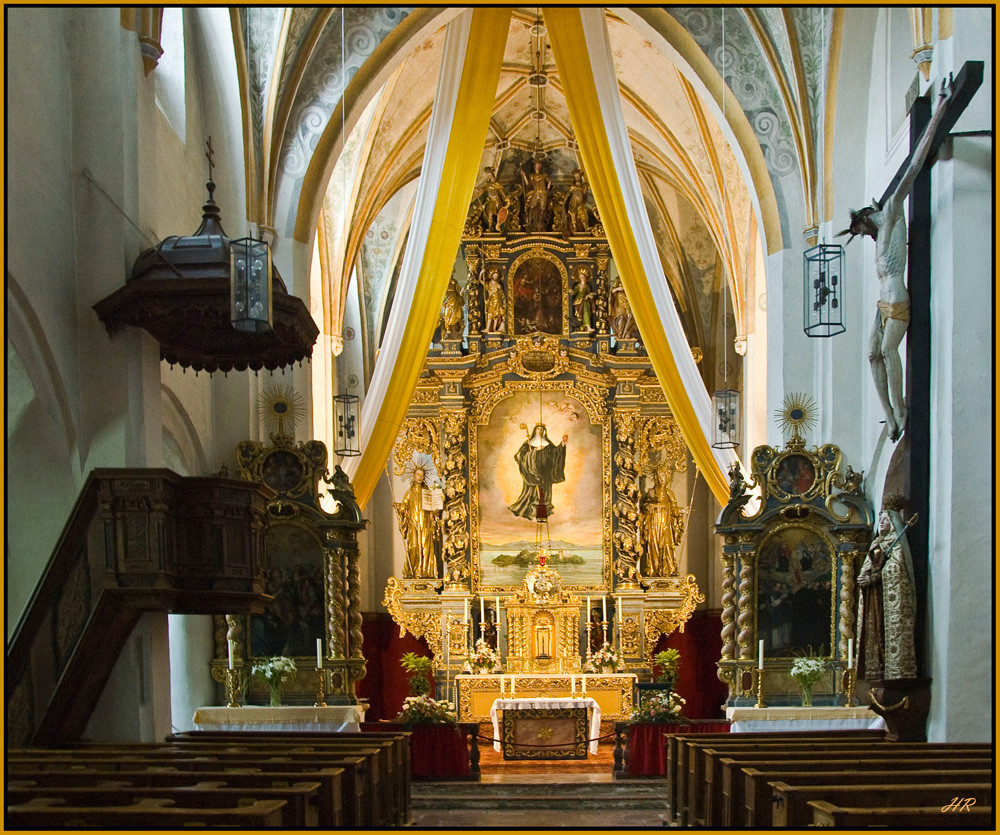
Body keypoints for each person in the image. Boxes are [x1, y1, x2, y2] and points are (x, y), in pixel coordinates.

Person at [838, 79, 952, 442]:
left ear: (865, 217)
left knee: (888, 350)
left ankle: (900, 407)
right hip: (882, 302)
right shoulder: (876, 235)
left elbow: (915, 165)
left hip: (898, 298)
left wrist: (941, 110)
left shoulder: (890, 212)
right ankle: (888, 414)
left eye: (861, 230)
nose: (865, 236)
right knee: (872, 355)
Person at [855, 505, 917, 681]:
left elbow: (897, 567)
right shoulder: (876, 543)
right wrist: (863, 576)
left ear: (894, 522)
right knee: (874, 628)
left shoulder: (897, 542)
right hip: (874, 596)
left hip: (887, 596)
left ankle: (893, 669)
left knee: (885, 628)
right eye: (880, 519)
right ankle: (877, 667)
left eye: (886, 519)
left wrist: (874, 578)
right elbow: (867, 565)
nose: (882, 523)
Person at [508, 423, 567, 520]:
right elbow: (520, 456)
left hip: (545, 474)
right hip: (533, 474)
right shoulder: (528, 443)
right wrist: (534, 451)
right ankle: (532, 512)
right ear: (535, 430)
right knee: (534, 493)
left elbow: (556, 454)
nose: (540, 431)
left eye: (542, 429)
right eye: (538, 429)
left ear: (544, 431)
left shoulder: (547, 443)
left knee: (544, 494)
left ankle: (542, 514)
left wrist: (563, 444)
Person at [394, 466, 441, 578]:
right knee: (414, 547)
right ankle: (414, 572)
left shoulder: (427, 492)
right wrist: (399, 507)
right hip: (413, 524)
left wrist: (436, 508)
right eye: (418, 475)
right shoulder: (409, 492)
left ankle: (425, 572)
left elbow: (434, 511)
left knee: (426, 548)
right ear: (414, 476)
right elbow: (404, 507)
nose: (420, 477)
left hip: (426, 525)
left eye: (422, 475)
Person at [639, 465, 685, 576]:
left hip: (666, 523)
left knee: (667, 545)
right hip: (653, 523)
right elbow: (644, 506)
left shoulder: (669, 493)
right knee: (653, 545)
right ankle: (653, 570)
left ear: (667, 476)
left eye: (663, 475)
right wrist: (648, 507)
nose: (661, 478)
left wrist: (683, 510)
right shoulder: (651, 492)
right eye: (659, 475)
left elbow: (674, 510)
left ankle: (669, 569)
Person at [521, 158, 551, 232]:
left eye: (539, 165)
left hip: (543, 193)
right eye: (536, 165)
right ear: (534, 166)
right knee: (532, 206)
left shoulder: (544, 175)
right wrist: (524, 176)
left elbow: (549, 181)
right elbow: (528, 184)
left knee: (542, 208)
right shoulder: (532, 175)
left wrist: (547, 189)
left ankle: (540, 222)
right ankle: (530, 221)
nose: (537, 166)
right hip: (536, 192)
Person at [474, 166, 507, 233]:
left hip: (497, 201)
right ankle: (490, 227)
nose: (488, 176)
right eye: (487, 175)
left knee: (499, 215)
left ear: (492, 174)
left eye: (489, 175)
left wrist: (505, 198)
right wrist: (475, 188)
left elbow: (501, 192)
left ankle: (499, 226)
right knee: (489, 214)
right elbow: (481, 190)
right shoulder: (487, 185)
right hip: (490, 202)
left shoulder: (497, 184)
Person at [609, 275, 637, 340]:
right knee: (621, 316)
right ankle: (620, 334)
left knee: (630, 318)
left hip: (628, 301)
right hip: (620, 301)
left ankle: (626, 333)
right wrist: (618, 289)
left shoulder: (630, 280)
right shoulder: (617, 279)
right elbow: (612, 291)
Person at [565, 168, 591, 234]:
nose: (577, 178)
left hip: (580, 204)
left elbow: (584, 192)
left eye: (578, 176)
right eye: (575, 176)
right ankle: (574, 227)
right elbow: (568, 194)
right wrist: (564, 200)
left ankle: (586, 228)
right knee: (572, 214)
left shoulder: (584, 185)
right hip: (573, 203)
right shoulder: (572, 187)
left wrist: (575, 188)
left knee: (583, 215)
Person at [571, 266, 595, 333]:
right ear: (579, 279)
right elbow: (574, 293)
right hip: (578, 301)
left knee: (586, 313)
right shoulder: (577, 286)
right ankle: (580, 326)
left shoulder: (587, 286)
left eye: (583, 277)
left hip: (585, 302)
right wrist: (571, 292)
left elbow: (589, 294)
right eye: (581, 277)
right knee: (579, 315)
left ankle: (587, 326)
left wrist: (590, 296)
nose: (582, 278)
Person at [440, 276, 464, 340]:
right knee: (447, 316)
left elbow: (458, 290)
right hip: (447, 299)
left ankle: (452, 331)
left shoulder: (455, 282)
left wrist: (460, 295)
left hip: (454, 299)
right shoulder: (444, 282)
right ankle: (448, 329)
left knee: (455, 316)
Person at [484, 268, 505, 332]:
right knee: (489, 315)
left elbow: (502, 294)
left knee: (496, 316)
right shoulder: (488, 284)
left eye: (496, 276)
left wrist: (504, 302)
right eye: (494, 276)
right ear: (491, 276)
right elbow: (482, 283)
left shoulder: (498, 285)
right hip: (491, 301)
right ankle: (487, 328)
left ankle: (494, 328)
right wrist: (481, 273)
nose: (495, 277)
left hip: (497, 302)